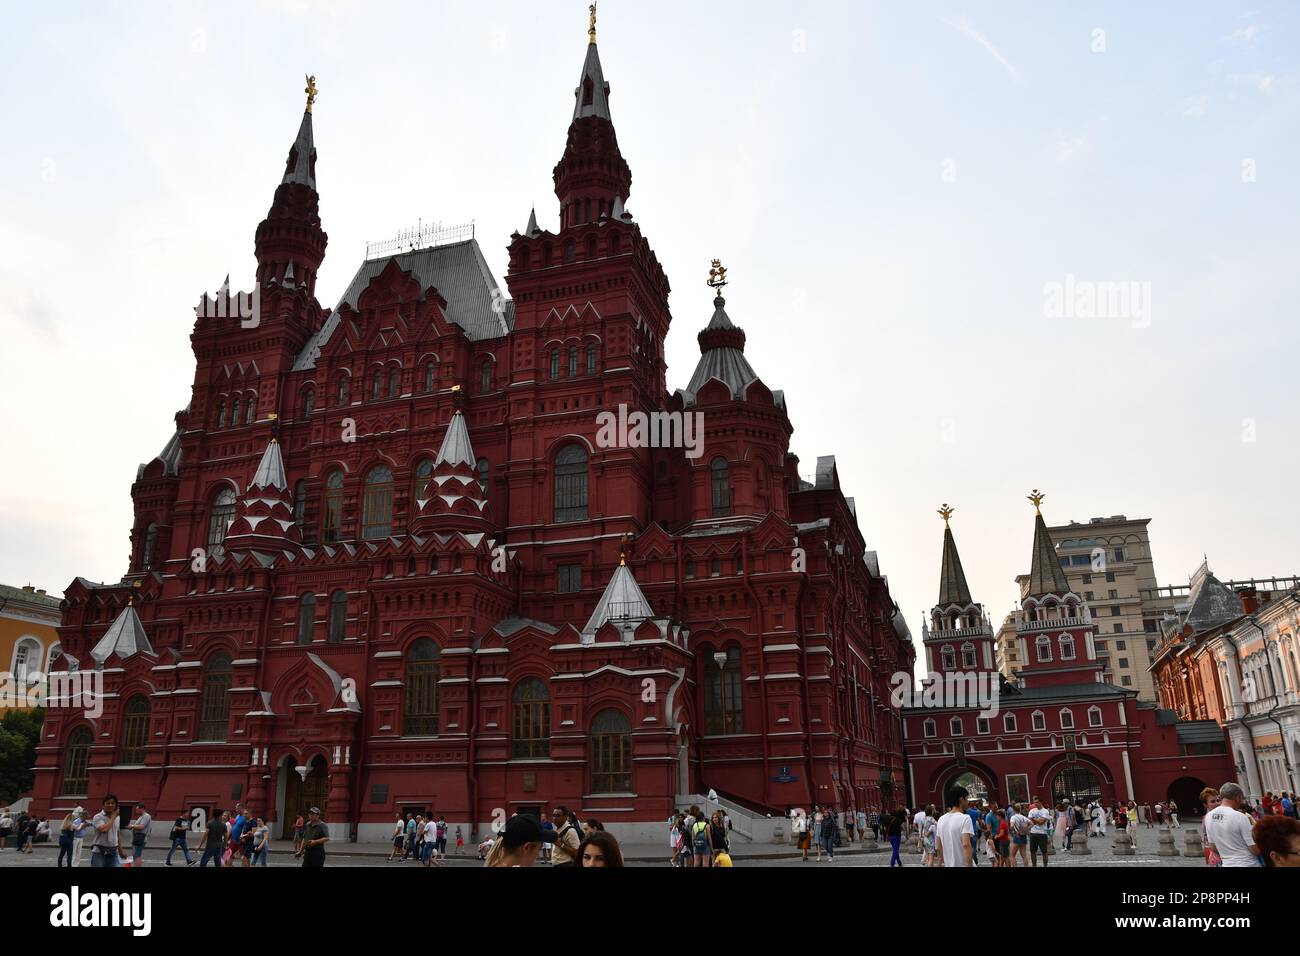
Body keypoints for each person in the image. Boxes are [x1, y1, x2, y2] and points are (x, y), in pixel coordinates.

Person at [1205, 783, 1261, 867]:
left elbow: (1213, 846)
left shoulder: (1209, 816)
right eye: (1241, 798)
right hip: (1248, 863)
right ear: (1237, 797)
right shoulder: (1240, 817)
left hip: (1227, 864)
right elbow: (1254, 849)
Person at [935, 785, 974, 867]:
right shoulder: (965, 818)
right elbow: (966, 844)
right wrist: (969, 865)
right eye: (966, 799)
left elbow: (938, 847)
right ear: (961, 799)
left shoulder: (941, 819)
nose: (968, 802)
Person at [89, 795, 127, 868]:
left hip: (113, 852)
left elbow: (117, 833)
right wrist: (113, 817)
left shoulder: (117, 817)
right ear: (103, 805)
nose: (110, 805)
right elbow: (104, 829)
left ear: (116, 805)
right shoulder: (98, 817)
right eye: (108, 803)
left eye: (113, 803)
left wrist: (121, 850)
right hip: (99, 852)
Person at [1027, 800, 1051, 868]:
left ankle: (1045, 865)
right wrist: (1037, 820)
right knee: (1032, 851)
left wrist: (1033, 819)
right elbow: (1029, 821)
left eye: (1037, 802)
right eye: (1034, 802)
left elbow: (1042, 822)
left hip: (1042, 833)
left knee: (1044, 851)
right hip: (1033, 833)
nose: (1035, 803)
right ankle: (1034, 865)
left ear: (1041, 802)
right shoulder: (1032, 810)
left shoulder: (1045, 811)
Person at [127, 802, 152, 867]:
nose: (136, 811)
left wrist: (132, 826)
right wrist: (132, 827)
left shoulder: (146, 816)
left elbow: (141, 826)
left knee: (137, 855)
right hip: (137, 838)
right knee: (136, 855)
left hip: (140, 838)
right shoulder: (141, 816)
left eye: (137, 809)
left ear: (142, 809)